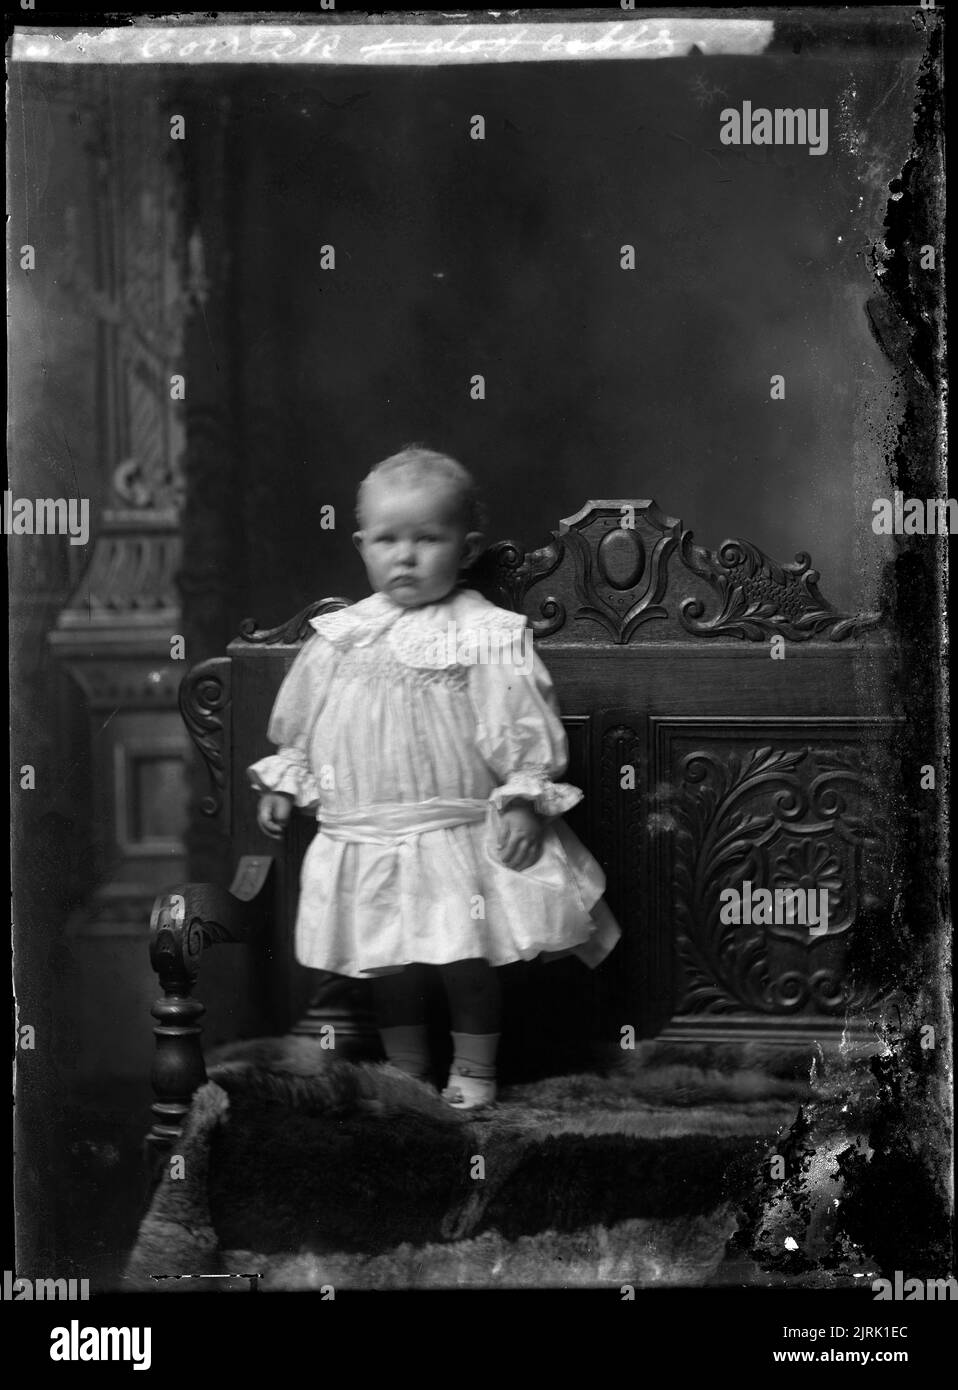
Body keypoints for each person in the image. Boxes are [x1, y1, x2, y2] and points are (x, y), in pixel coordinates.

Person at [249, 445, 620, 1108]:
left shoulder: (483, 633)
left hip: (454, 831)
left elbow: (518, 724)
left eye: (428, 538)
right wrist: (287, 781)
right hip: (368, 836)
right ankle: (407, 1067)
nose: (406, 556)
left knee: (462, 958)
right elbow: (305, 722)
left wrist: (522, 800)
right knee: (390, 962)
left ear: (465, 547)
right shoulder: (341, 637)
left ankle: (474, 1069)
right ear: (362, 545)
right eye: (388, 540)